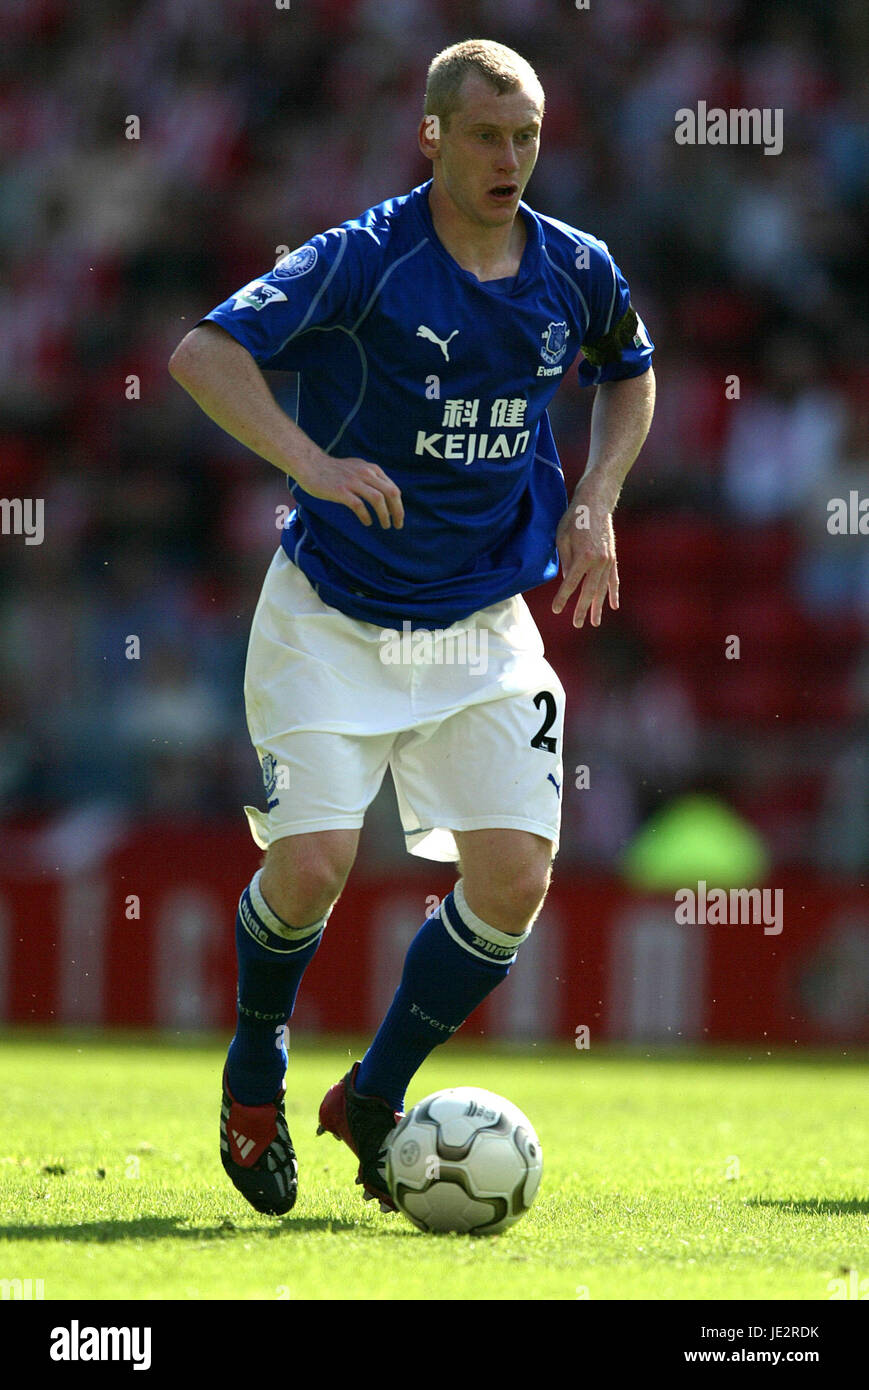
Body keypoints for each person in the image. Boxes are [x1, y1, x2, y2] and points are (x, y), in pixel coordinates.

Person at [168, 38, 655, 1217]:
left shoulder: (573, 268)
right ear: (431, 134)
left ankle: (373, 1096)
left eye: (526, 135)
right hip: (329, 619)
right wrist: (310, 462)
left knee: (512, 879)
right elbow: (202, 353)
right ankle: (252, 1072)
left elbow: (628, 369)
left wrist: (594, 501)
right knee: (313, 869)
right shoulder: (363, 260)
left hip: (479, 623)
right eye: (485, 134)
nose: (508, 157)